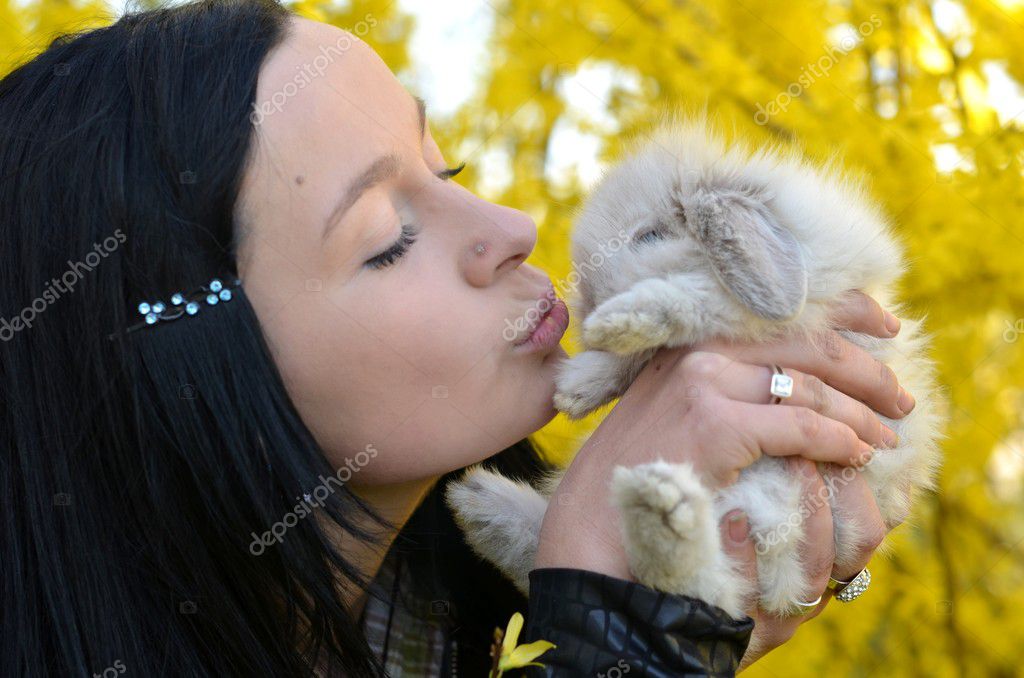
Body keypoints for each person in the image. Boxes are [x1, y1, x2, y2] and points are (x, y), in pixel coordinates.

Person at [0, 0, 915, 675]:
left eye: (447, 169)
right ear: (187, 371)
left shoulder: (470, 618)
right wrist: (613, 642)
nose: (511, 227)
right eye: (388, 238)